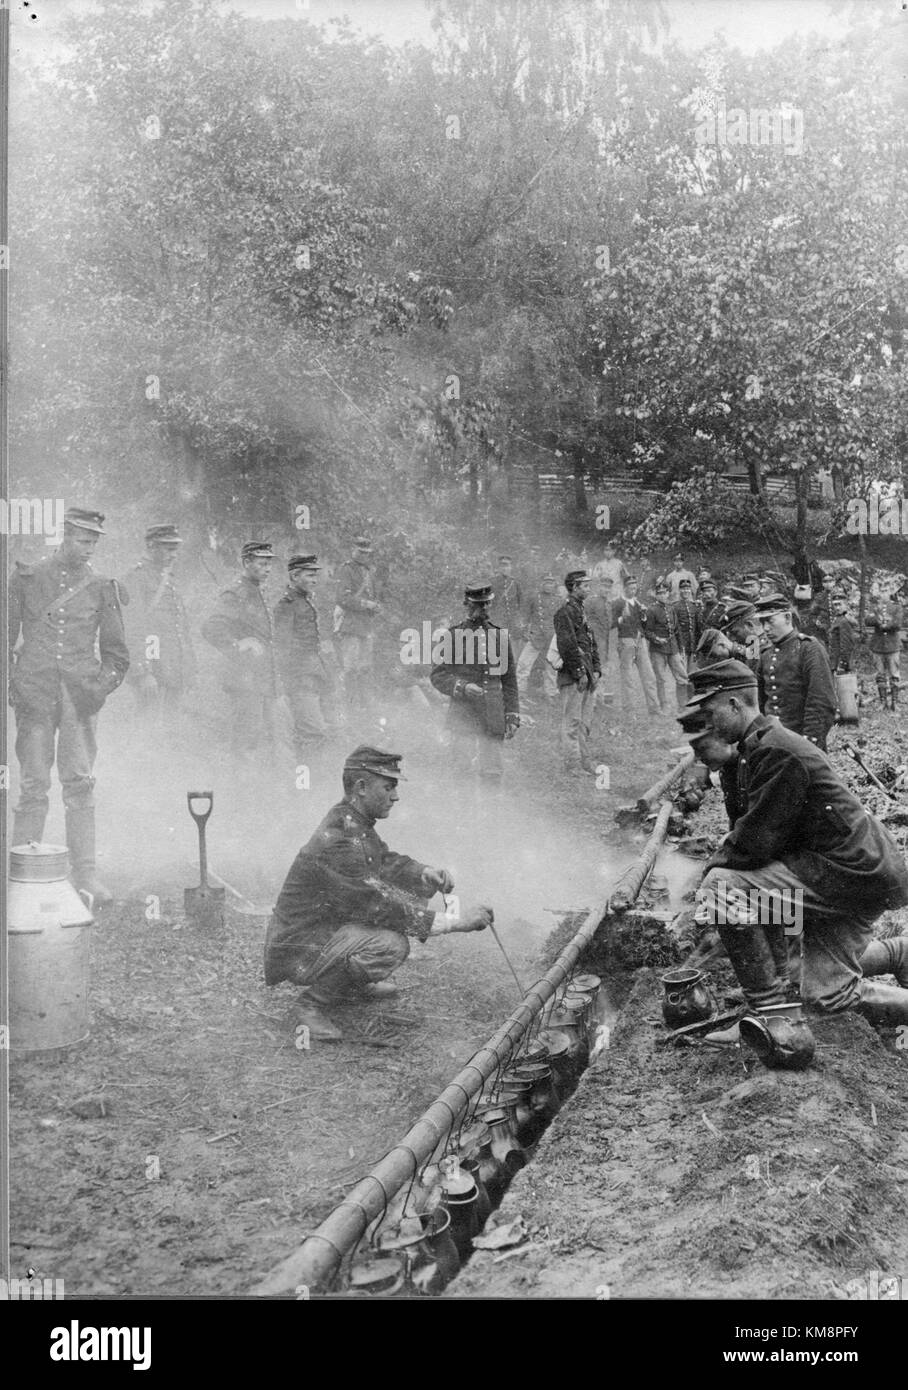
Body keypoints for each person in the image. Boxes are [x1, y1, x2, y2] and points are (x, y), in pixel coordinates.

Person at [680, 681, 908, 1017]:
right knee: (820, 994)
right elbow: (761, 856)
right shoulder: (754, 750)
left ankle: (772, 1016)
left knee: (720, 889)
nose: (711, 727)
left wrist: (710, 890)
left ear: (734, 704)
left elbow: (755, 845)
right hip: (841, 871)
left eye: (712, 717)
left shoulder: (775, 750)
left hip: (852, 874)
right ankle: (899, 953)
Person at [264, 746, 493, 1040]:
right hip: (298, 944)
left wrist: (421, 872)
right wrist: (455, 922)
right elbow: (374, 904)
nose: (395, 796)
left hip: (318, 931)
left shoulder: (351, 820)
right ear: (361, 787)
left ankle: (349, 984)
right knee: (391, 944)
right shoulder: (339, 839)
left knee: (407, 900)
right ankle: (310, 1005)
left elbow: (383, 860)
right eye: (388, 787)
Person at [9, 507, 130, 903]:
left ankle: (86, 876)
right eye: (82, 539)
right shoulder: (28, 578)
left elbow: (117, 654)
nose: (88, 547)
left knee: (79, 784)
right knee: (33, 785)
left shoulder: (102, 587)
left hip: (79, 700)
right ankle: (22, 875)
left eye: (94, 541)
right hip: (36, 695)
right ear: (64, 535)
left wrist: (99, 688)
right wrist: (14, 685)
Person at [430, 582, 519, 785]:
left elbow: (510, 680)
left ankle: (491, 815)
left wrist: (512, 715)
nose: (485, 609)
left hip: (493, 712)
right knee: (462, 771)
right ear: (467, 605)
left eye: (487, 604)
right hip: (464, 712)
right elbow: (438, 675)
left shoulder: (500, 636)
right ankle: (464, 815)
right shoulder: (452, 636)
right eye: (480, 604)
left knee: (493, 772)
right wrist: (462, 687)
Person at [201, 540, 280, 763]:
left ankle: (258, 791)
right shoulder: (236, 593)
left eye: (269, 564)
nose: (268, 568)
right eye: (262, 563)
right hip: (244, 681)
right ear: (246, 563)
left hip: (261, 679)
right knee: (246, 743)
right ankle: (242, 793)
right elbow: (211, 626)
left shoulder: (256, 592)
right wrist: (238, 644)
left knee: (265, 740)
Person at [121, 523, 196, 733]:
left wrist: (188, 667)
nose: (174, 554)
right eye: (168, 548)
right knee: (148, 732)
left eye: (175, 549)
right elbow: (133, 628)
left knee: (172, 732)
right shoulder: (136, 578)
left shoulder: (169, 580)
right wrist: (144, 672)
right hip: (153, 670)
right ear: (151, 547)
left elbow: (181, 627)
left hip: (174, 668)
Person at [273, 554, 338, 762]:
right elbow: (282, 646)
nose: (314, 580)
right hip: (300, 680)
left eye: (315, 575)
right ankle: (308, 785)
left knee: (322, 732)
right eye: (310, 575)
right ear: (294, 575)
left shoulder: (304, 602)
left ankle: (311, 780)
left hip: (314, 677)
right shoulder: (288, 605)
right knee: (312, 733)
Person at [755, 592, 836, 751]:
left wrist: (809, 744)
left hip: (802, 743)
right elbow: (761, 702)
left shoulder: (809, 648)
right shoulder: (765, 655)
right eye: (762, 622)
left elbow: (821, 702)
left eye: (770, 621)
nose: (765, 628)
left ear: (787, 618)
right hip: (773, 743)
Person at [553, 569, 600, 775]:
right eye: (585, 585)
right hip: (573, 676)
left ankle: (584, 761)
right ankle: (571, 764)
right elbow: (567, 646)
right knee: (571, 722)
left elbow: (591, 643)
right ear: (574, 587)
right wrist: (580, 672)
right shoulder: (564, 613)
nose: (588, 589)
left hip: (588, 674)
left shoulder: (580, 610)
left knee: (585, 723)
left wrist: (596, 669)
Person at [334, 537, 381, 719]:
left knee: (365, 669)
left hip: (366, 627)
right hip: (351, 626)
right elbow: (342, 598)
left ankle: (365, 707)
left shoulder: (369, 571)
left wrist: (376, 605)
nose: (364, 556)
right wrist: (366, 604)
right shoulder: (346, 570)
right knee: (350, 669)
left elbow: (374, 595)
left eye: (367, 553)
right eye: (360, 552)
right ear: (352, 550)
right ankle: (349, 707)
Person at [612, 575, 659, 718]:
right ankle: (630, 711)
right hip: (625, 641)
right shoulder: (617, 603)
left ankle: (654, 709)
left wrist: (644, 616)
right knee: (628, 678)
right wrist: (621, 618)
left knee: (649, 675)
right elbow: (610, 623)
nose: (633, 591)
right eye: (631, 588)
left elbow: (644, 625)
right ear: (624, 588)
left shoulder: (638, 603)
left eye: (635, 588)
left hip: (640, 640)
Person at [515, 573, 560, 710]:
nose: (548, 585)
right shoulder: (534, 597)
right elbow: (524, 616)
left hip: (552, 637)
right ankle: (519, 694)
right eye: (546, 582)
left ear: (554, 585)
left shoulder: (559, 600)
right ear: (541, 583)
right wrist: (524, 631)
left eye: (551, 583)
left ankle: (550, 694)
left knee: (551, 668)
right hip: (536, 636)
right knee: (523, 664)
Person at [646, 578, 687, 715]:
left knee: (682, 676)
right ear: (656, 595)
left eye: (665, 593)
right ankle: (664, 706)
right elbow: (647, 631)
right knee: (661, 679)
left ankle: (683, 705)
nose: (663, 595)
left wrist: (681, 648)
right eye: (660, 593)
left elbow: (677, 630)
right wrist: (657, 639)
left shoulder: (671, 608)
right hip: (658, 650)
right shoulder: (651, 610)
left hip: (673, 647)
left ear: (668, 593)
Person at [865, 582, 904, 710]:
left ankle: (895, 702)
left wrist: (885, 625)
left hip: (893, 646)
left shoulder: (896, 607)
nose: (884, 594)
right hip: (878, 645)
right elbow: (868, 620)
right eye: (881, 591)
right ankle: (882, 702)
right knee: (880, 675)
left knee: (894, 674)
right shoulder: (874, 607)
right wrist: (878, 619)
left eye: (886, 591)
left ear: (890, 592)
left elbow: (898, 623)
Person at [585, 575, 615, 704]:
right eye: (604, 586)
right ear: (598, 586)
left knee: (602, 670)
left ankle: (599, 698)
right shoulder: (591, 601)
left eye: (608, 588)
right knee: (593, 669)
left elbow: (608, 624)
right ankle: (591, 699)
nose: (606, 590)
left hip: (604, 643)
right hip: (593, 641)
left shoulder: (608, 603)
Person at [670, 577, 701, 696]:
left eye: (688, 589)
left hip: (693, 646)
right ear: (679, 591)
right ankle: (682, 704)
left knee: (693, 675)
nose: (685, 591)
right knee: (682, 676)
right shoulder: (675, 607)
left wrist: (697, 646)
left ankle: (692, 701)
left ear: (691, 590)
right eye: (683, 589)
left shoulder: (695, 606)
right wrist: (678, 647)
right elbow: (674, 629)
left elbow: (697, 628)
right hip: (681, 645)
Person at [488, 554, 525, 647]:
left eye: (507, 565)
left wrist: (519, 618)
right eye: (502, 565)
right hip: (498, 619)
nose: (504, 568)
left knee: (513, 644)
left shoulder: (516, 583)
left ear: (511, 567)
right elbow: (488, 602)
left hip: (513, 620)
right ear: (499, 568)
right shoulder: (492, 582)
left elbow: (521, 602)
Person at [808, 572, 836, 647]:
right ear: (822, 584)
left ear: (834, 582)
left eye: (830, 581)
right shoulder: (819, 596)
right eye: (825, 581)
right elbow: (812, 612)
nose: (828, 584)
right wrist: (817, 621)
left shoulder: (839, 595)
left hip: (836, 626)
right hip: (823, 627)